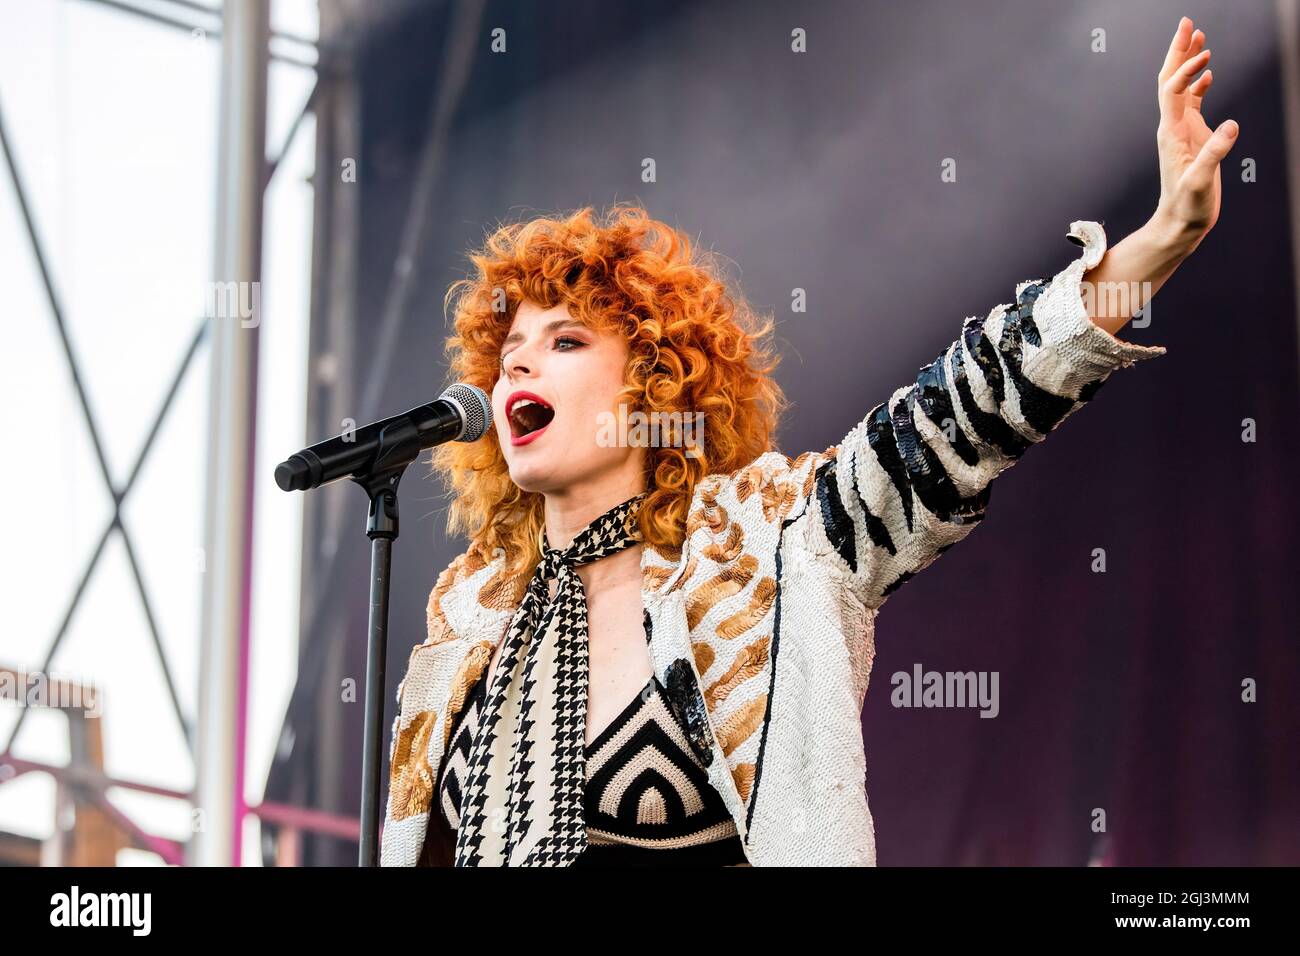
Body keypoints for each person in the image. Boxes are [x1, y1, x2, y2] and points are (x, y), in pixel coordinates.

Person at [381, 16, 1237, 866]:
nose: (519, 368)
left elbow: (963, 408)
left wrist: (1163, 237)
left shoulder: (767, 543)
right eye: (510, 354)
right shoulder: (473, 606)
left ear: (655, 386)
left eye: (565, 342)